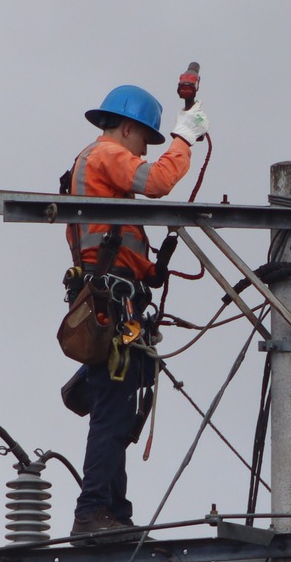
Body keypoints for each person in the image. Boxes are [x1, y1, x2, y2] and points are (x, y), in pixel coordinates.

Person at [64, 83, 209, 536]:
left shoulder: (99, 172)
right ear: (127, 127)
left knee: (117, 413)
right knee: (111, 414)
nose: (145, 150)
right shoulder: (105, 154)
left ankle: (115, 513)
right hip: (110, 305)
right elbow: (158, 182)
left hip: (115, 303)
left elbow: (115, 244)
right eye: (145, 139)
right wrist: (184, 138)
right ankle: (92, 512)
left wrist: (149, 271)